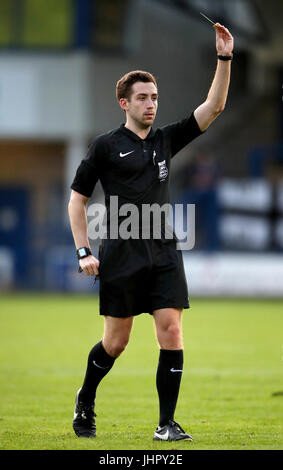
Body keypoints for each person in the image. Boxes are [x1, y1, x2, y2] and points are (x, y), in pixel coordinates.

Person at [68, 23, 233, 441]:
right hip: (121, 253)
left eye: (155, 98)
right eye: (142, 98)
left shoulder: (165, 140)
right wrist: (83, 251)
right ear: (124, 102)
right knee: (116, 342)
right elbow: (77, 201)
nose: (151, 104)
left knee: (172, 330)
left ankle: (166, 424)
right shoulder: (105, 146)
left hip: (163, 251)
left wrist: (225, 57)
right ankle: (85, 397)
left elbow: (213, 107)